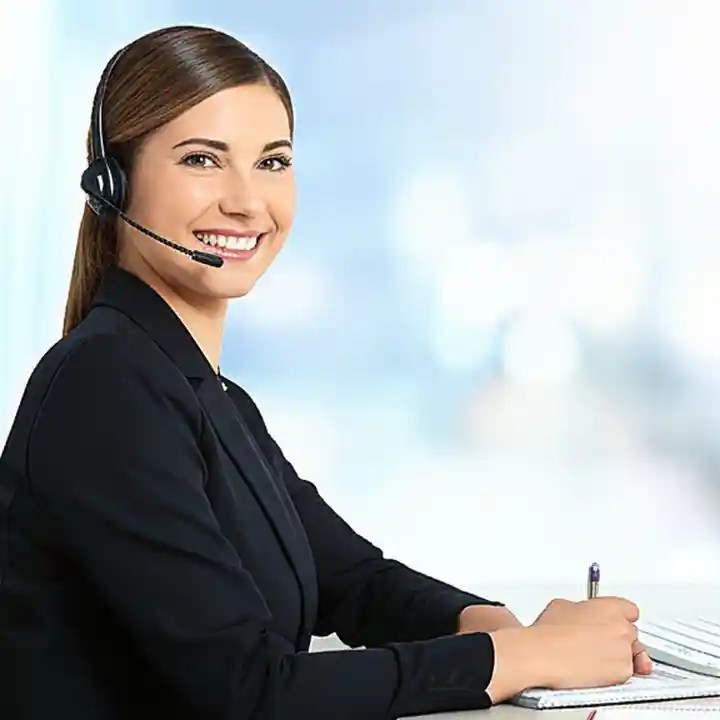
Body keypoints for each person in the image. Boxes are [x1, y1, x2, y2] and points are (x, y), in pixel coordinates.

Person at [0, 25, 651, 719]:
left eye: (273, 162)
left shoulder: (207, 396)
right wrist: (527, 659)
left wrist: (493, 626)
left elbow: (354, 581)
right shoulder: (105, 389)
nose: (248, 201)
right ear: (112, 183)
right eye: (202, 159)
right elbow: (248, 691)